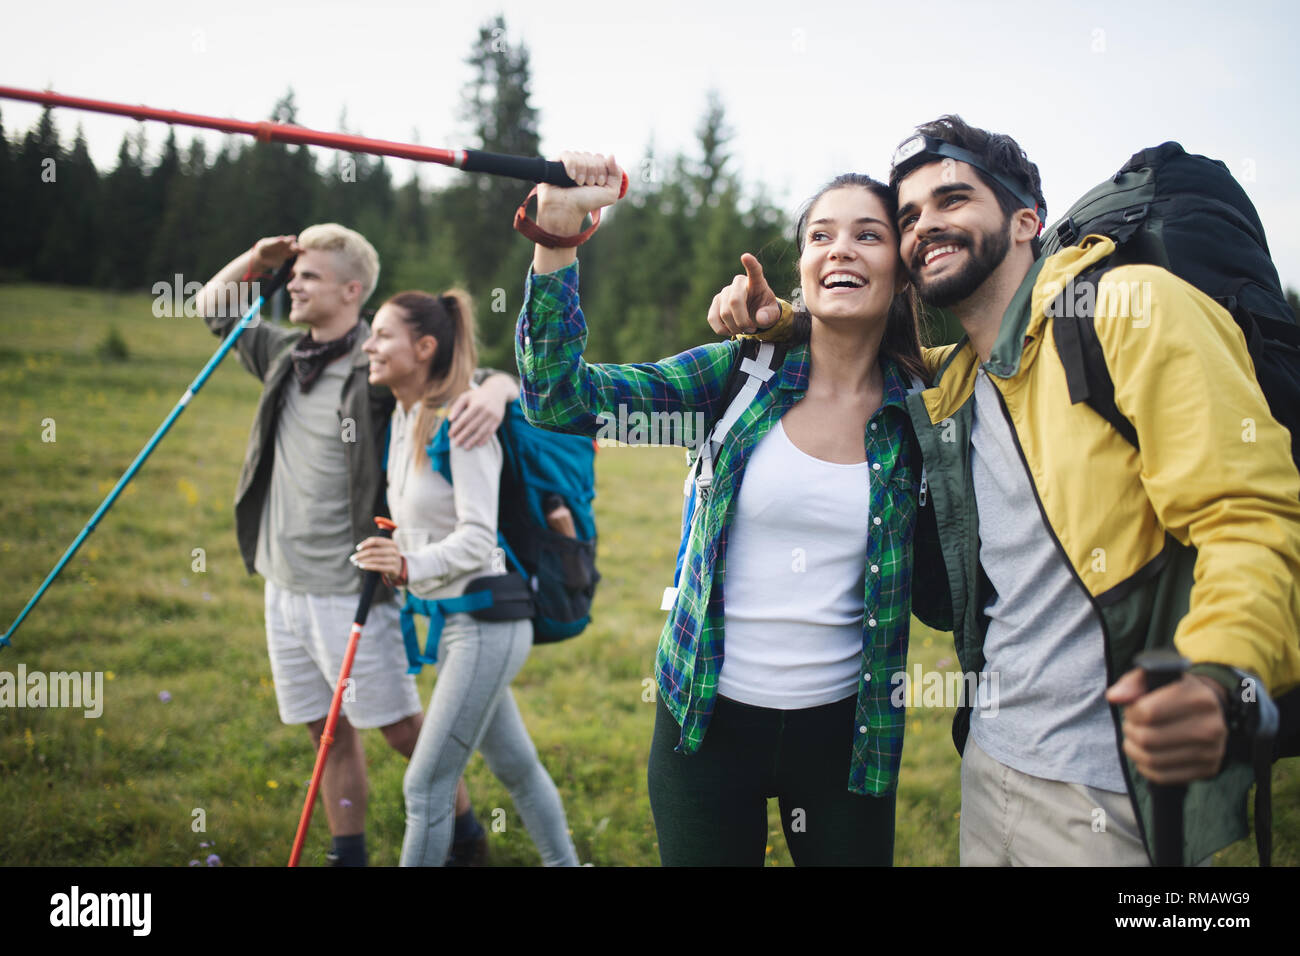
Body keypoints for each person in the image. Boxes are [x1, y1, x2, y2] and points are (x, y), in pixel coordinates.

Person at [707, 116, 1300, 865]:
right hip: (987, 764)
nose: (927, 227)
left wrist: (1219, 675)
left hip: (1109, 791)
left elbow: (1249, 516)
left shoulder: (1127, 311)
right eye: (910, 217)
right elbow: (874, 350)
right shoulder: (958, 377)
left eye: (952, 200)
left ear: (1028, 220)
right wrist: (789, 318)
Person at [515, 151, 945, 866]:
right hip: (705, 722)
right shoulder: (740, 375)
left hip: (847, 736)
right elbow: (559, 399)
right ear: (804, 267)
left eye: (868, 235)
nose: (840, 247)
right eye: (820, 236)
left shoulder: (927, 408)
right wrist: (555, 244)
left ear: (902, 267)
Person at [195, 224, 518, 866]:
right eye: (293, 275)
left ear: (352, 291)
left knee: (399, 729)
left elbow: (470, 374)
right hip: (281, 580)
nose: (293, 283)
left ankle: (467, 839)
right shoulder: (284, 354)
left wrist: (499, 390)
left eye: (307, 276)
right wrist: (258, 260)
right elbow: (213, 308)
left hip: (352, 588)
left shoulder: (377, 365)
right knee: (325, 732)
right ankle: (350, 856)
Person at [353, 288, 580, 867]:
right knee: (517, 768)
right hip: (459, 626)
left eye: (382, 335)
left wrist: (408, 565)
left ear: (424, 346)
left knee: (425, 786)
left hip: (487, 624)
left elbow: (478, 538)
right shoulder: (403, 416)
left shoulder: (463, 423)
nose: (369, 344)